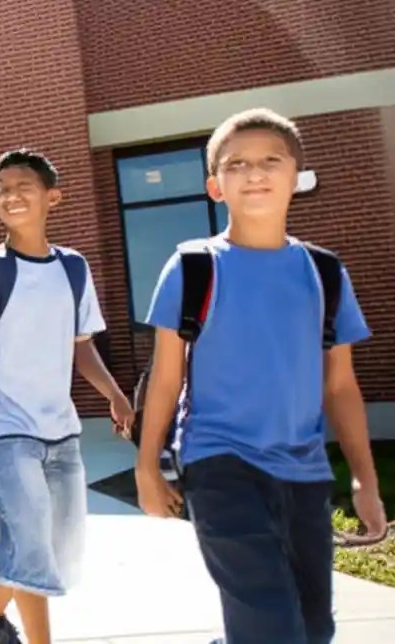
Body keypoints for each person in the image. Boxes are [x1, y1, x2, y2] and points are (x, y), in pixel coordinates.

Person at [135, 108, 387, 644]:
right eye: (237, 164)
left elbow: (340, 385)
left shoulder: (324, 273)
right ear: (214, 186)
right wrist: (147, 467)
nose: (255, 173)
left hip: (305, 470)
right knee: (270, 623)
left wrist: (364, 479)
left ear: (296, 176)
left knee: (313, 629)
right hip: (219, 463)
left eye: (271, 161)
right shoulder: (192, 267)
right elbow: (165, 379)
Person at [0, 149, 133, 644]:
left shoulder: (73, 269)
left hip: (61, 430)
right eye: (1, 187)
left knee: (55, 552)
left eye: (23, 185)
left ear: (53, 197)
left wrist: (114, 393)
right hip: (7, 430)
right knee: (30, 547)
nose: (9, 195)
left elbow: (81, 345)